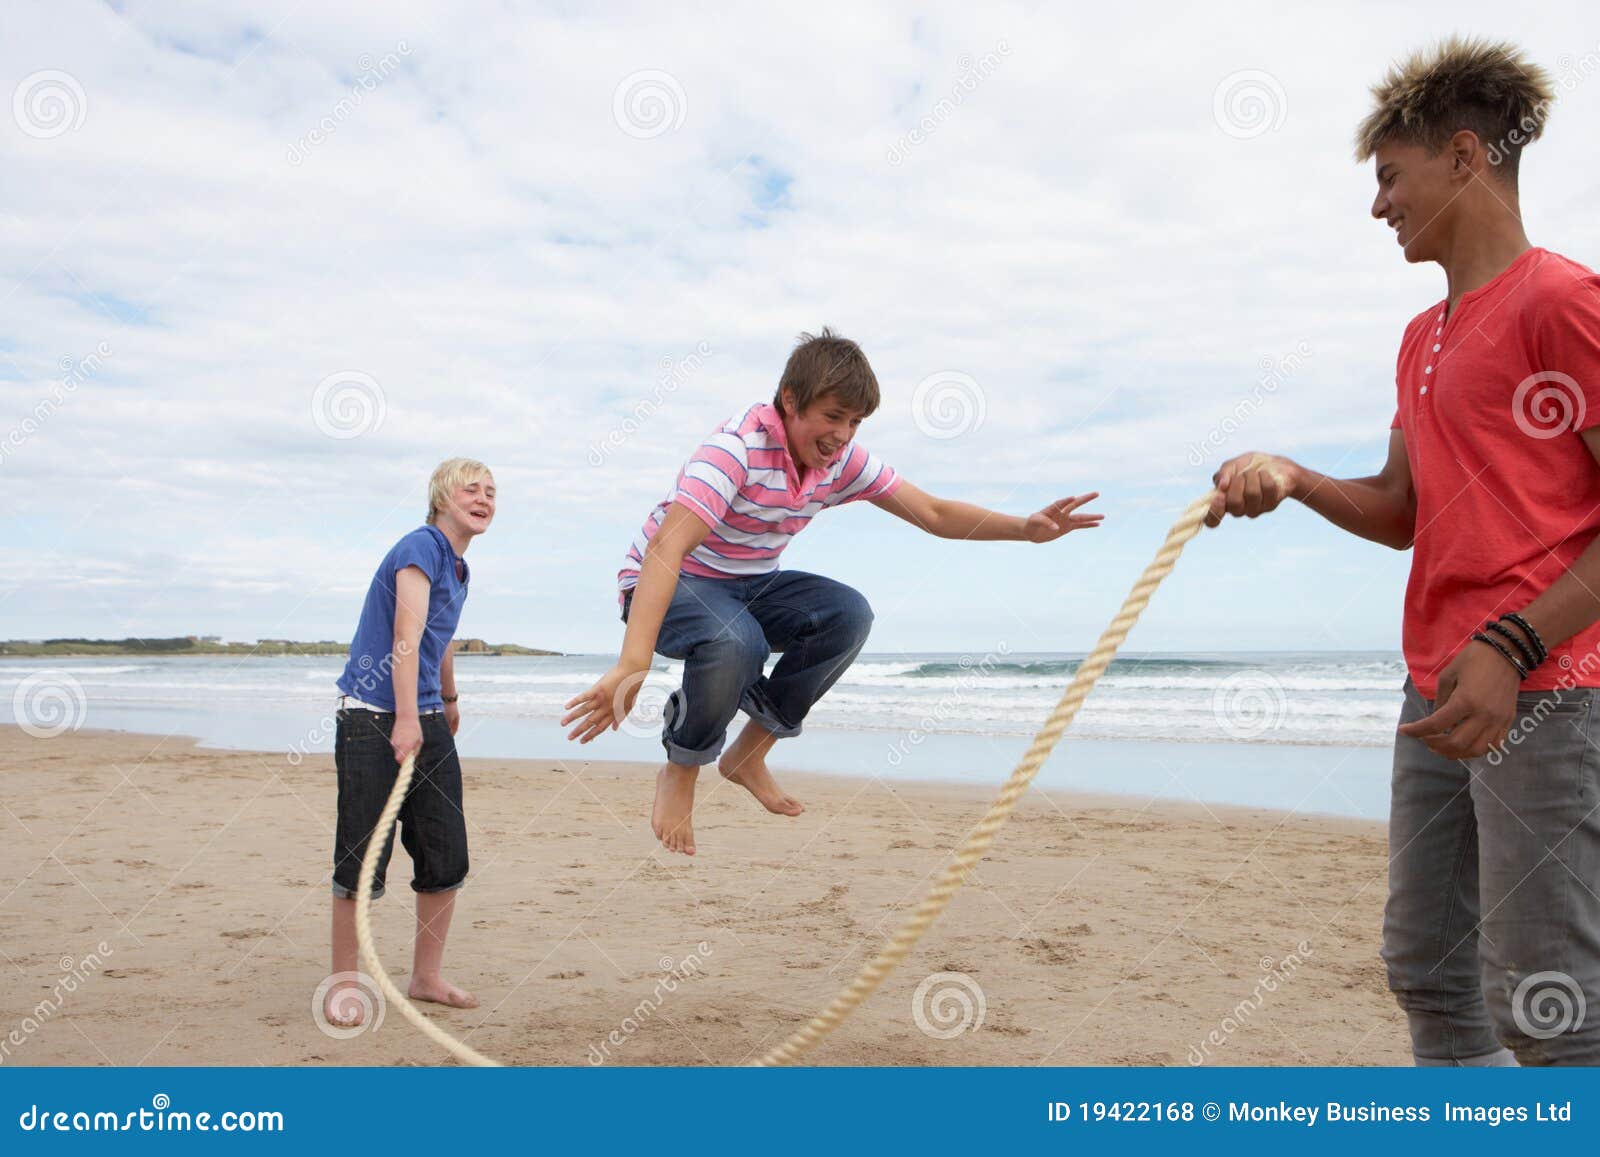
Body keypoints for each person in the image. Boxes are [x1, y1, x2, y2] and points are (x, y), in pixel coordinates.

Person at [1208, 37, 1600, 1065]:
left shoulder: (1561, 301)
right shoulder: (1418, 338)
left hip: (1550, 685)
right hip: (1435, 682)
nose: (1377, 205)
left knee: (1549, 999)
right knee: (1427, 965)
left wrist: (1513, 643)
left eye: (1390, 175)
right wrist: (1293, 475)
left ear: (1465, 158)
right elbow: (1397, 509)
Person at [563, 328, 1103, 855]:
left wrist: (1025, 529)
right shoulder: (735, 452)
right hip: (668, 579)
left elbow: (933, 512)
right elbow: (665, 549)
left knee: (847, 614)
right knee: (738, 641)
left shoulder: (843, 461)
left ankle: (748, 755)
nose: (843, 434)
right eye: (831, 416)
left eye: (855, 421)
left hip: (749, 585)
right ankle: (681, 769)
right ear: (790, 402)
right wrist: (632, 663)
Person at [322, 457, 496, 1027]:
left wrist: (446, 699)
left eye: (492, 492)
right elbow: (406, 633)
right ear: (442, 497)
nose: (484, 497)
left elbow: (439, 638)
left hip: (422, 712)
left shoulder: (460, 568)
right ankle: (343, 984)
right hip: (373, 715)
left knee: (446, 851)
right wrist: (404, 718)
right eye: (471, 488)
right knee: (362, 855)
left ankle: (425, 977)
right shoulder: (420, 546)